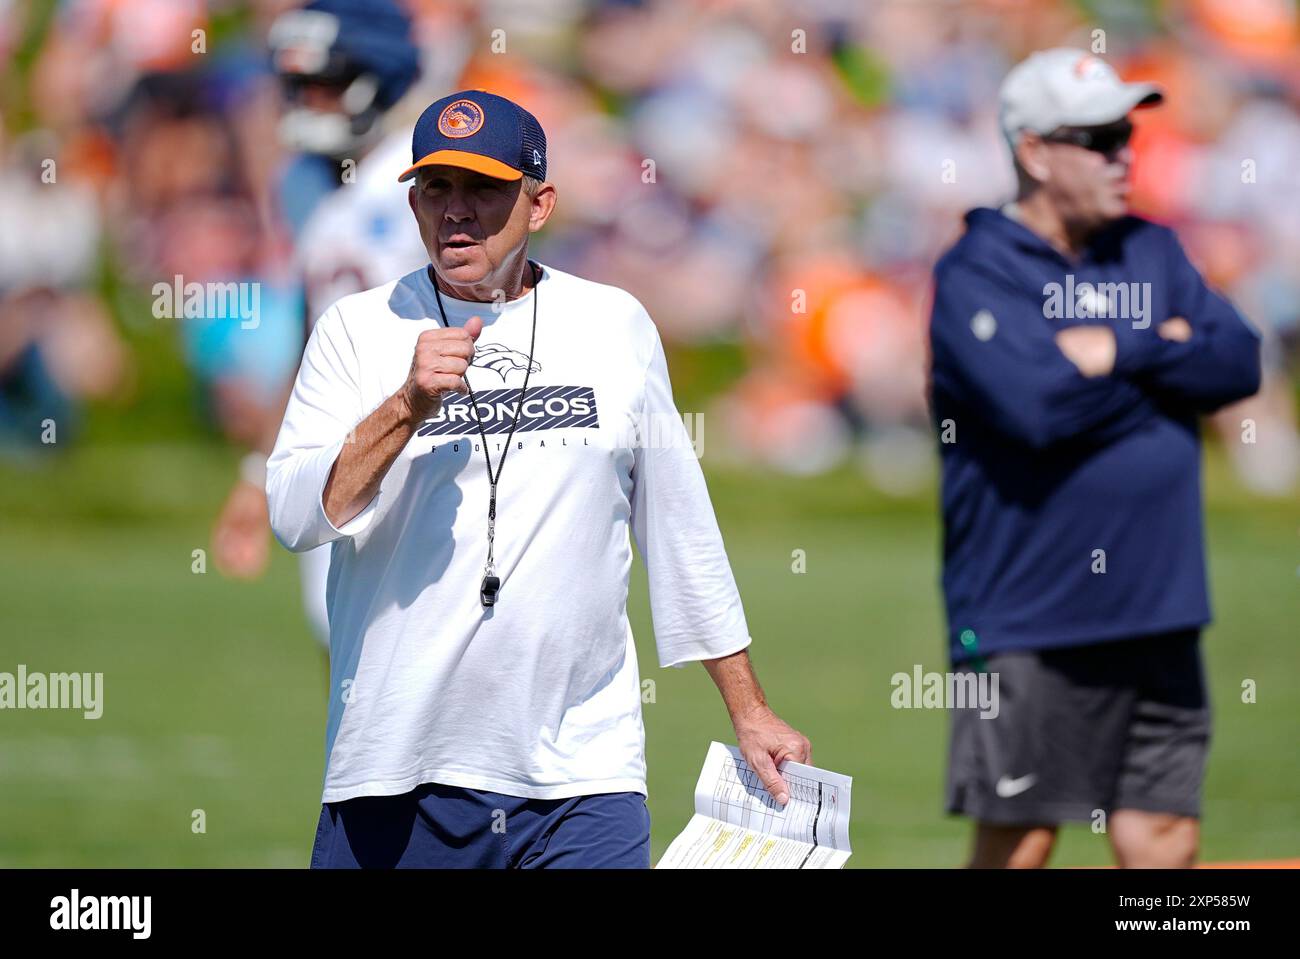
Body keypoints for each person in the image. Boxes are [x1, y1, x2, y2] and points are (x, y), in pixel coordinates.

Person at [266, 89, 810, 868]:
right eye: (435, 189)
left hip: (584, 776)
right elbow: (295, 514)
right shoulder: (356, 329)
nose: (456, 212)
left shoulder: (614, 324)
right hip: (396, 766)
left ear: (539, 202)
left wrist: (750, 710)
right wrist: (405, 406)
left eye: (483, 189)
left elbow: (680, 527)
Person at [928, 49, 1261, 868]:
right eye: (1100, 137)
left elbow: (1236, 362)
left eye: (1127, 133)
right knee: (1022, 837)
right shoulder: (977, 270)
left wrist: (1109, 348)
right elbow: (1035, 408)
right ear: (1035, 152)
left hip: (1160, 603)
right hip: (1030, 612)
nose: (1124, 153)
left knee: (1164, 835)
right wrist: (1162, 350)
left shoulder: (1151, 249)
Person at [211, 0, 425, 651]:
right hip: (336, 453)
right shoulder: (305, 186)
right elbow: (312, 342)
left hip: (426, 447)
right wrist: (259, 471)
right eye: (299, 84)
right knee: (343, 643)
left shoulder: (431, 178)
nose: (309, 100)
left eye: (325, 84)